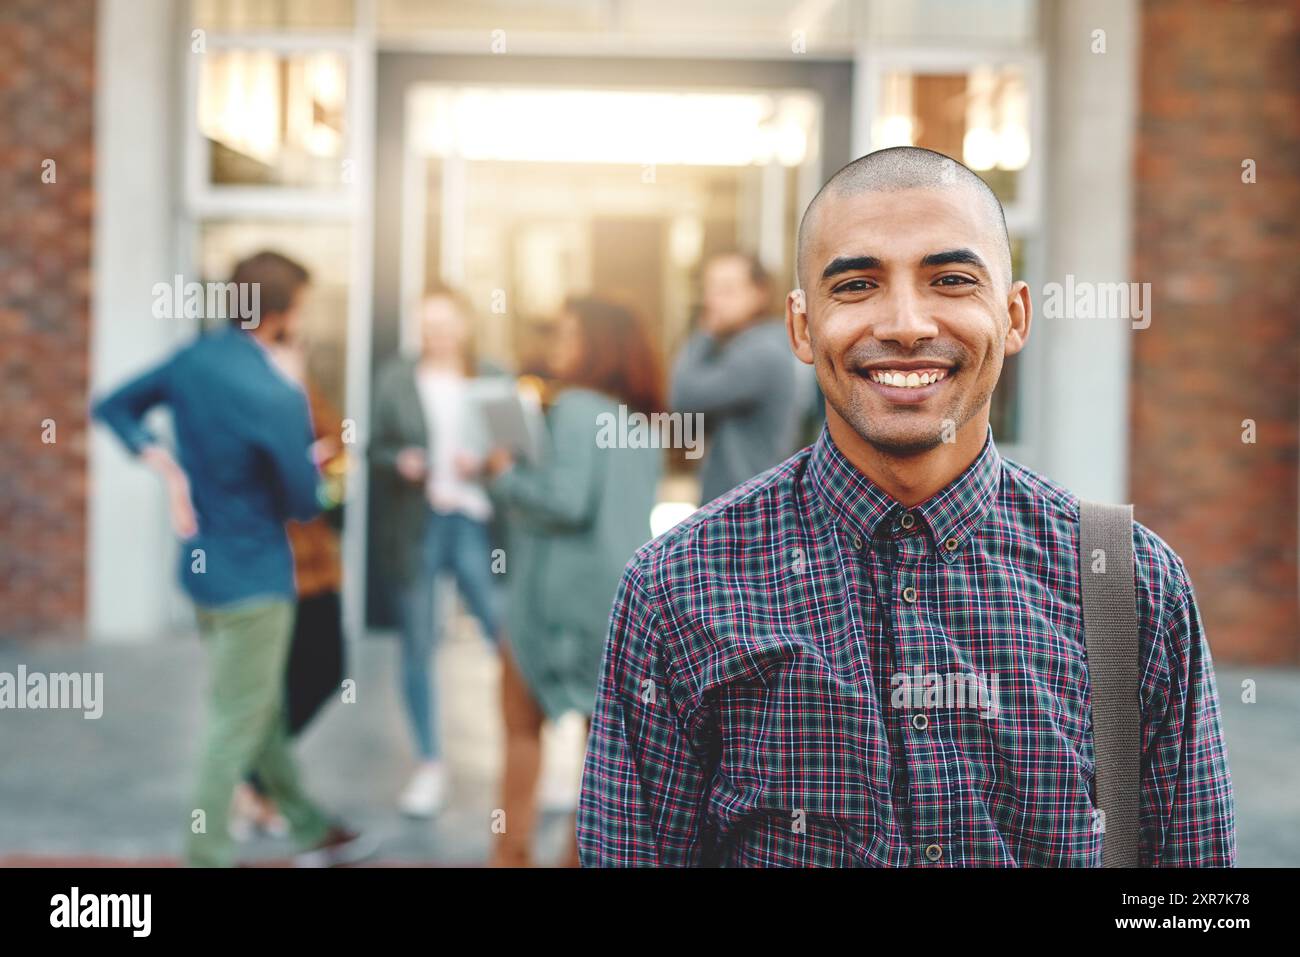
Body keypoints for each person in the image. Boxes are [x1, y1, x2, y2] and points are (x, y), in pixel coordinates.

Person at [577, 147, 1236, 867]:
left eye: (950, 279)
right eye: (858, 284)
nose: (906, 323)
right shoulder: (679, 586)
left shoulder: (1127, 582)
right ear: (801, 328)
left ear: (1014, 315)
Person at [92, 250, 372, 868]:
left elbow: (113, 406)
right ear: (281, 314)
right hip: (258, 579)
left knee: (260, 706)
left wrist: (163, 465)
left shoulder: (195, 359)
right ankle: (206, 855)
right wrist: (315, 462)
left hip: (203, 570)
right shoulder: (275, 393)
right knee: (233, 721)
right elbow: (303, 501)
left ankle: (308, 826)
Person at [484, 297, 664, 868]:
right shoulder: (643, 418)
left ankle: (510, 857)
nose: (557, 346)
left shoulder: (579, 408)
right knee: (603, 752)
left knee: (519, 730)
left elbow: (564, 500)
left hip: (553, 600)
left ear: (596, 343)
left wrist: (505, 474)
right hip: (617, 601)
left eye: (568, 335)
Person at [370, 286, 504, 817]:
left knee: (504, 633)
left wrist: (489, 462)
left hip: (474, 522)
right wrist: (397, 460)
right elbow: (374, 446)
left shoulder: (490, 376)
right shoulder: (397, 378)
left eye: (446, 323)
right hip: (417, 522)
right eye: (428, 325)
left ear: (465, 325)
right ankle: (429, 765)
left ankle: (532, 747)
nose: (437, 334)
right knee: (418, 643)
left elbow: (516, 448)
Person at [233, 353, 348, 839]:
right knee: (264, 686)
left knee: (323, 671)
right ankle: (250, 789)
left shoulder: (299, 386)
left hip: (314, 559)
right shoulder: (239, 392)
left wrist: (319, 460)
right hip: (266, 565)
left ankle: (252, 783)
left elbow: (338, 444)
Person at [669, 251, 801, 503]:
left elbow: (682, 395)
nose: (712, 300)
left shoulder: (759, 352)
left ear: (760, 292)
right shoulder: (756, 345)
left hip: (744, 512)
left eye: (727, 290)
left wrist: (704, 333)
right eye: (709, 288)